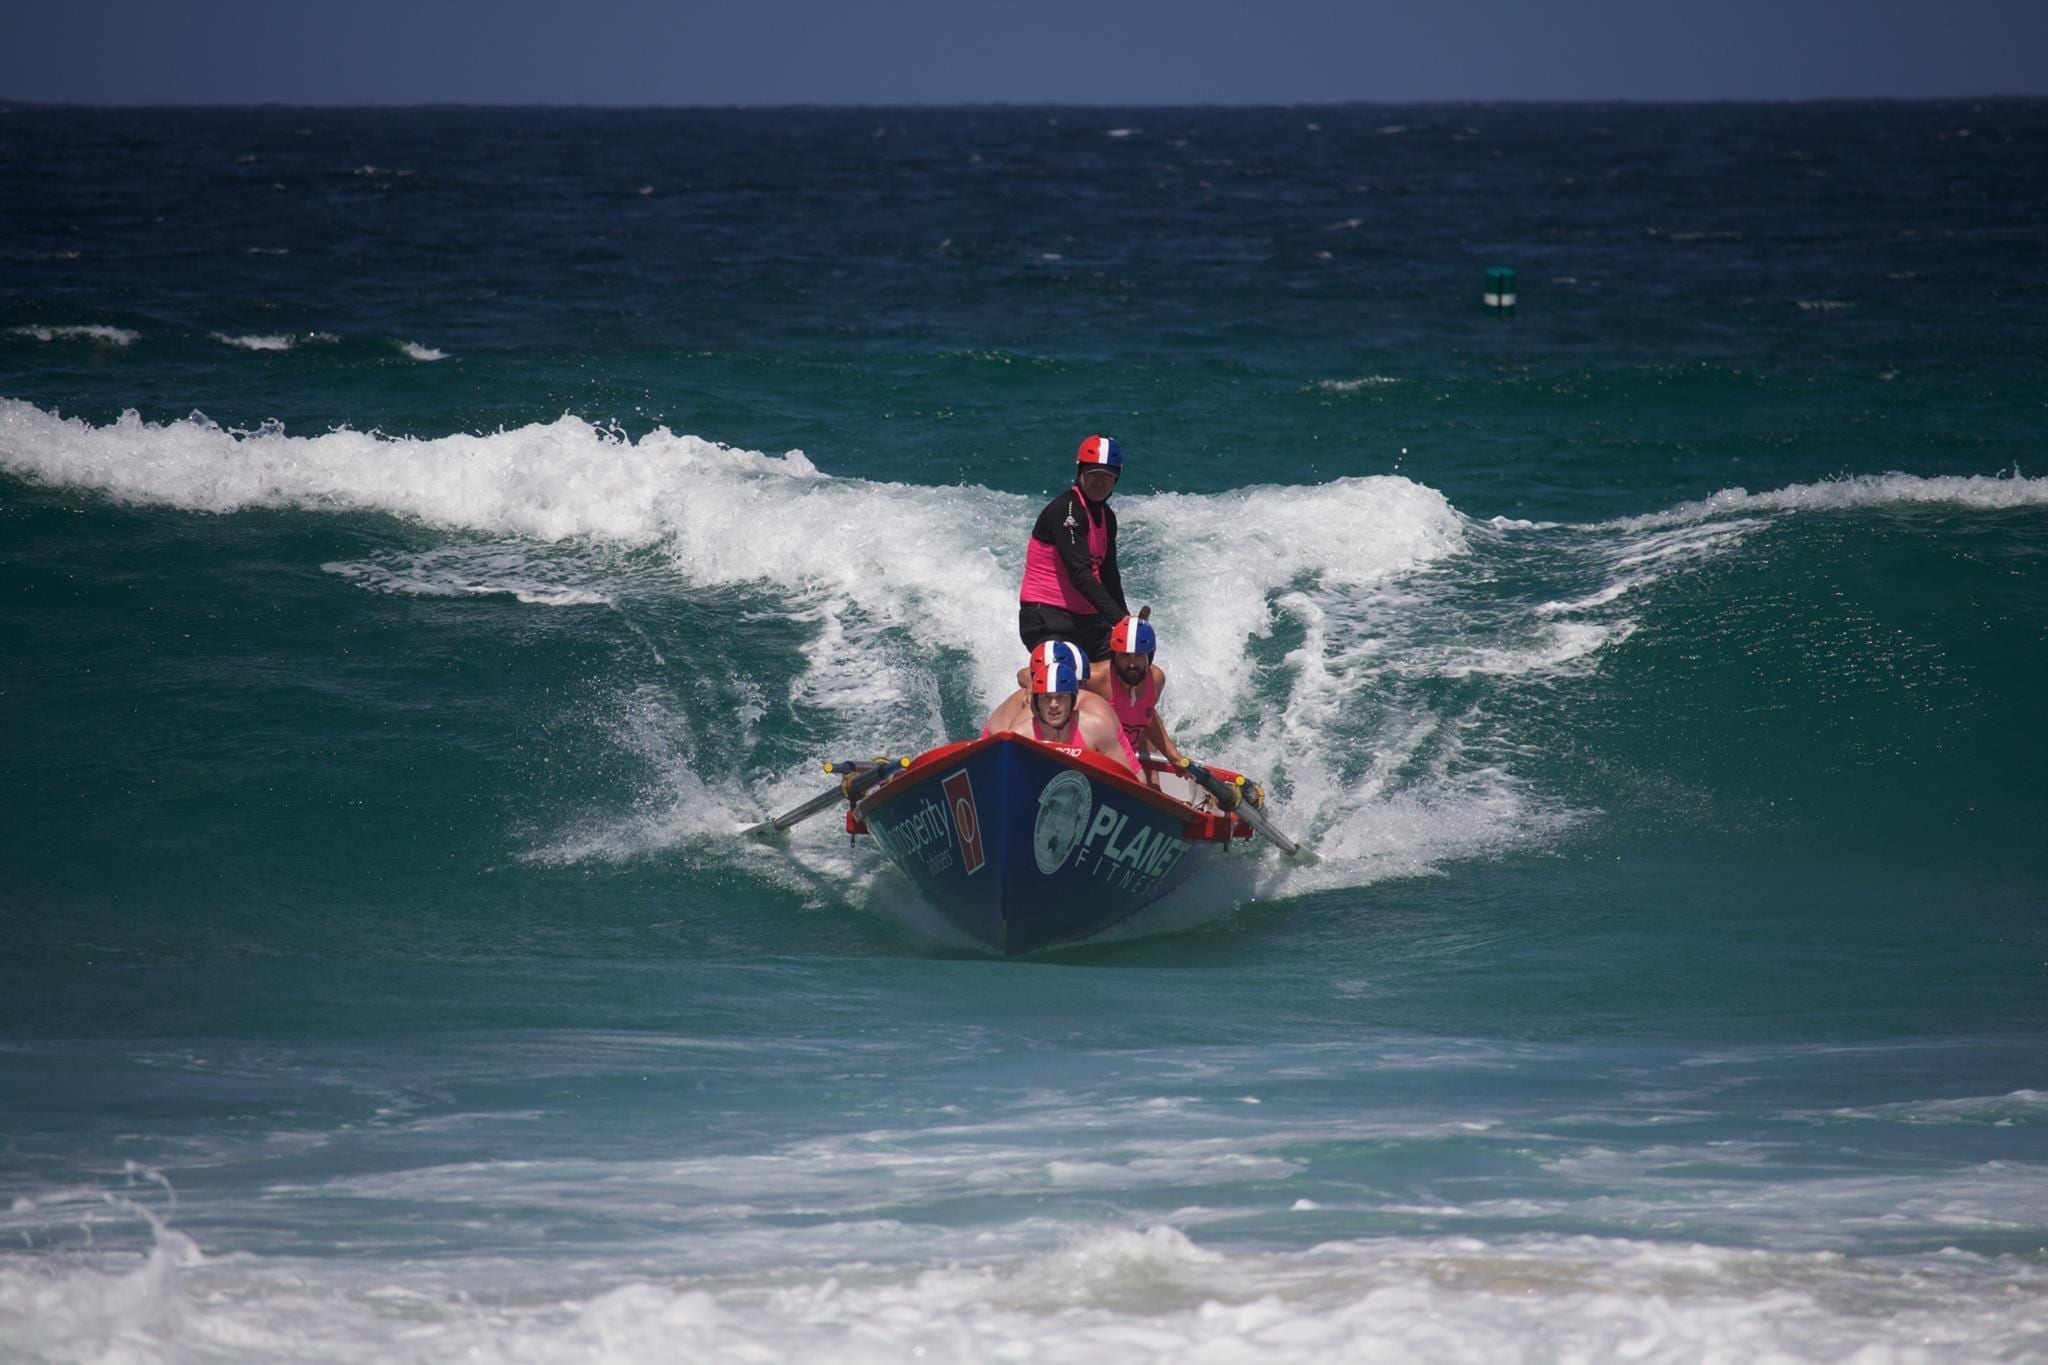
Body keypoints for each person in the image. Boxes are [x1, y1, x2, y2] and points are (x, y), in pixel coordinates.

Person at [1018, 435, 1131, 665]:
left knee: (1133, 661)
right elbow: (1080, 575)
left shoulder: (1107, 517)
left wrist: (1128, 623)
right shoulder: (1067, 511)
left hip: (1088, 622)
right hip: (1047, 618)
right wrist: (1120, 621)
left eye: (1106, 477)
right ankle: (1031, 683)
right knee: (1069, 675)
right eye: (1092, 475)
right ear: (1080, 473)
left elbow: (1109, 574)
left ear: (1116, 480)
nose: (1099, 482)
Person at [984, 639, 1138, 776]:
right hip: (994, 755)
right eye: (1046, 696)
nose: (1053, 704)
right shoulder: (1021, 725)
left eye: (1061, 695)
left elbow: (1134, 776)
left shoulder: (1095, 716)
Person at [1082, 613, 1187, 784]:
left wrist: (1173, 755)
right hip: (1098, 763)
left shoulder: (1156, 679)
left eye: (1138, 656)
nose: (1132, 664)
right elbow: (1033, 674)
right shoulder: (1096, 678)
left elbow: (1146, 716)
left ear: (1149, 657)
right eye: (1125, 656)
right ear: (1115, 656)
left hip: (1132, 764)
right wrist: (1031, 686)